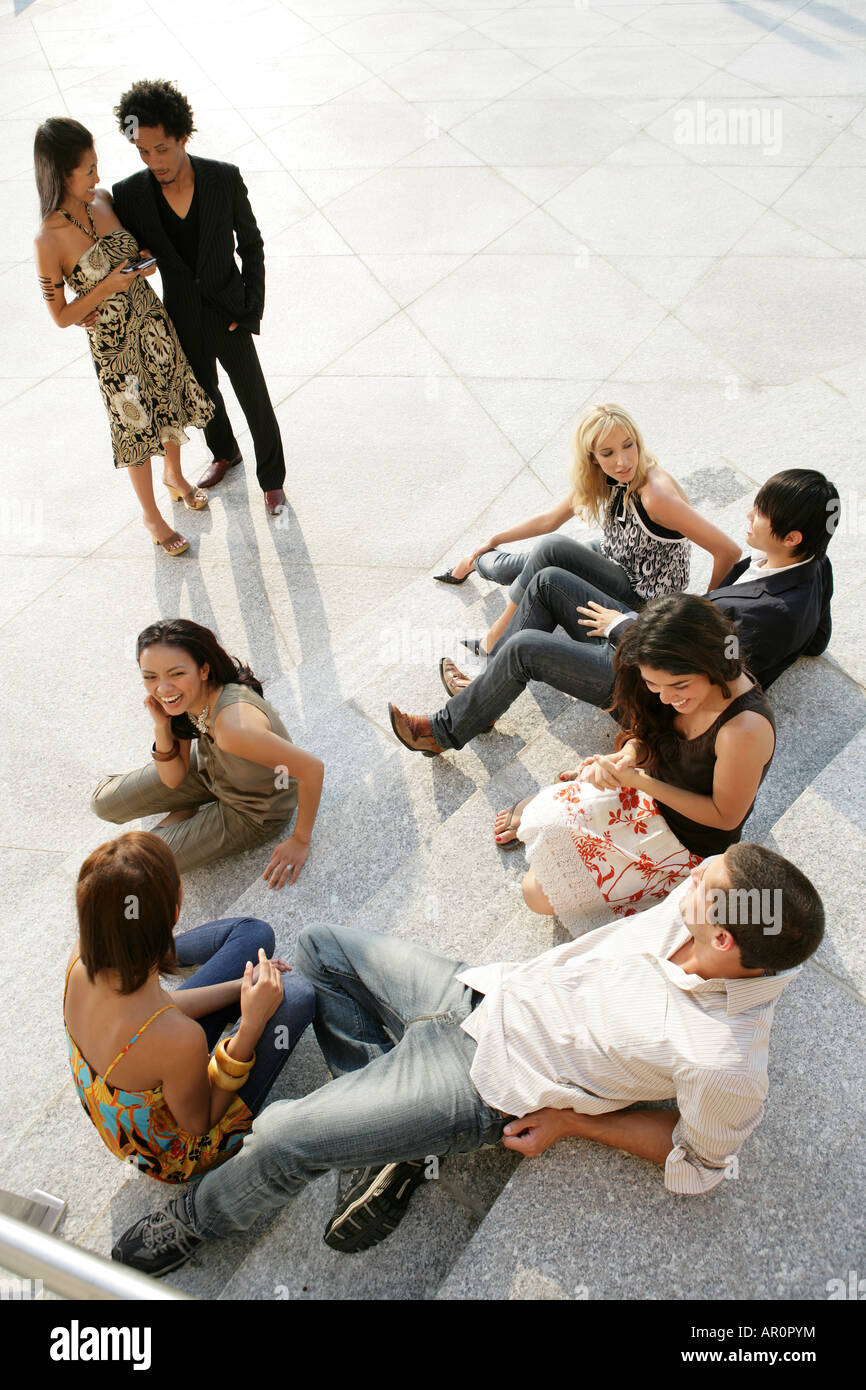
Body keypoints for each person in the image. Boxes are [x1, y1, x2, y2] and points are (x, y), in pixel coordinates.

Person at [111, 843, 825, 1274]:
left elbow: (698, 1162)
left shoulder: (726, 1060)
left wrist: (575, 1126)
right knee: (322, 948)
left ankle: (198, 1222)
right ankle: (393, 1145)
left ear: (729, 943)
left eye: (706, 885)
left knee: (281, 1135)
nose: (692, 879)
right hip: (479, 989)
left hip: (484, 1081)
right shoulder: (726, 918)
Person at [388, 469, 838, 757]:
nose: (749, 514)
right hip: (657, 635)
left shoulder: (775, 611)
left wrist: (622, 625)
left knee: (527, 648)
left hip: (655, 692)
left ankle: (442, 732)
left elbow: (698, 673)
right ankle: (485, 699)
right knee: (547, 581)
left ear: (793, 536)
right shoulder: (814, 564)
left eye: (759, 512)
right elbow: (819, 639)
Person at [493, 596, 775, 934]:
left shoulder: (744, 729)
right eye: (654, 685)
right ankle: (573, 790)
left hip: (688, 840)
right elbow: (649, 733)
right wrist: (629, 754)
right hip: (648, 792)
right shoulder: (669, 676)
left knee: (536, 894)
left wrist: (640, 781)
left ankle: (573, 791)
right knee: (545, 839)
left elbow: (724, 817)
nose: (667, 697)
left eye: (679, 685)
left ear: (711, 660)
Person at [64, 832, 315, 1182]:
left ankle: (142, 946)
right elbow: (201, 1123)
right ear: (177, 910)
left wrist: (240, 988)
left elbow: (159, 1008)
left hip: (132, 1073)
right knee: (298, 994)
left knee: (254, 934)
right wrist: (251, 1025)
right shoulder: (179, 1040)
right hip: (175, 1150)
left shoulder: (81, 956)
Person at [33, 118, 214, 557]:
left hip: (152, 322)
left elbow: (135, 251)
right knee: (135, 429)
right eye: (88, 170)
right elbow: (60, 315)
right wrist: (105, 288)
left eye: (97, 166)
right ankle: (152, 516)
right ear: (61, 175)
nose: (98, 177)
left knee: (169, 401)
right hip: (113, 346)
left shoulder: (105, 200)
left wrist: (144, 259)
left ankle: (174, 475)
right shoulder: (47, 239)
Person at [435, 402, 741, 657]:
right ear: (592, 458)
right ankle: (473, 561)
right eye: (607, 453)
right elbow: (548, 520)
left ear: (637, 441)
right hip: (613, 558)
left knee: (549, 550)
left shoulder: (656, 496)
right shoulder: (602, 477)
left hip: (641, 591)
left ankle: (491, 641)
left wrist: (704, 610)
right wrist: (495, 538)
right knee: (524, 562)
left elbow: (728, 551)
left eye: (628, 445)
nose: (622, 461)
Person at [111, 79, 288, 516]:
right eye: (143, 152)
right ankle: (225, 453)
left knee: (255, 399)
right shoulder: (130, 194)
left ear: (183, 137)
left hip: (229, 312)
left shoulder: (222, 178)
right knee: (203, 397)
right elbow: (121, 249)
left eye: (162, 149)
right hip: (180, 317)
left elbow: (252, 245)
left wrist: (249, 310)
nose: (154, 161)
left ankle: (272, 480)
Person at [90, 620, 323, 884]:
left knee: (127, 869)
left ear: (203, 670)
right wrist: (162, 726)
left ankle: (184, 818)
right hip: (209, 769)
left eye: (176, 674)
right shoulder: (186, 701)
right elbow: (173, 778)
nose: (163, 689)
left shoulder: (234, 728)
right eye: (150, 676)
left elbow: (312, 769)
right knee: (103, 802)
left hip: (251, 810)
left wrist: (301, 839)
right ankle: (186, 811)